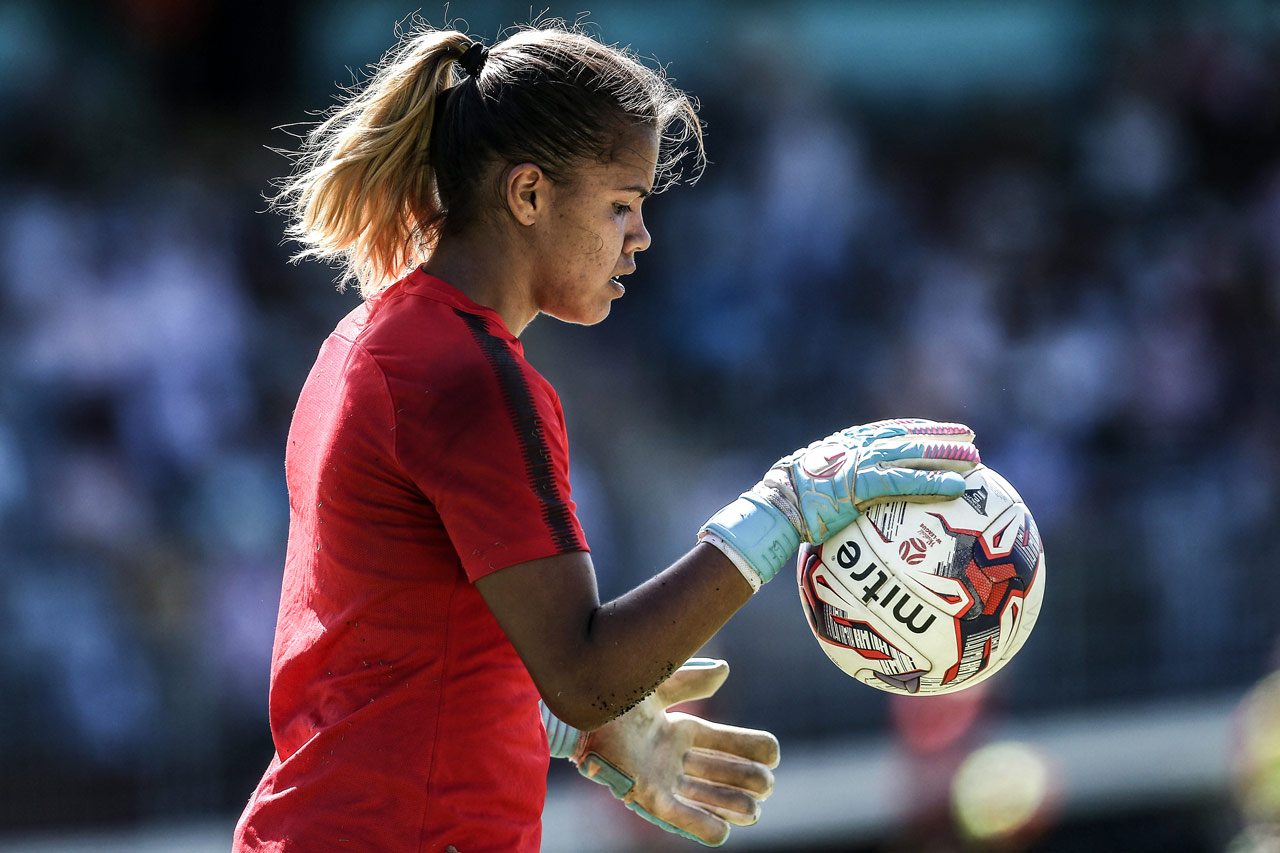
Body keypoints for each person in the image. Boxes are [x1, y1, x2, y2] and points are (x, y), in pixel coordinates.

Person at [231, 19, 980, 852]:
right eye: (621, 204)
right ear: (527, 195)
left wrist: (557, 726)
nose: (641, 235)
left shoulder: (367, 338)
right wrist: (786, 507)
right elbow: (588, 674)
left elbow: (392, 638)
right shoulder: (468, 376)